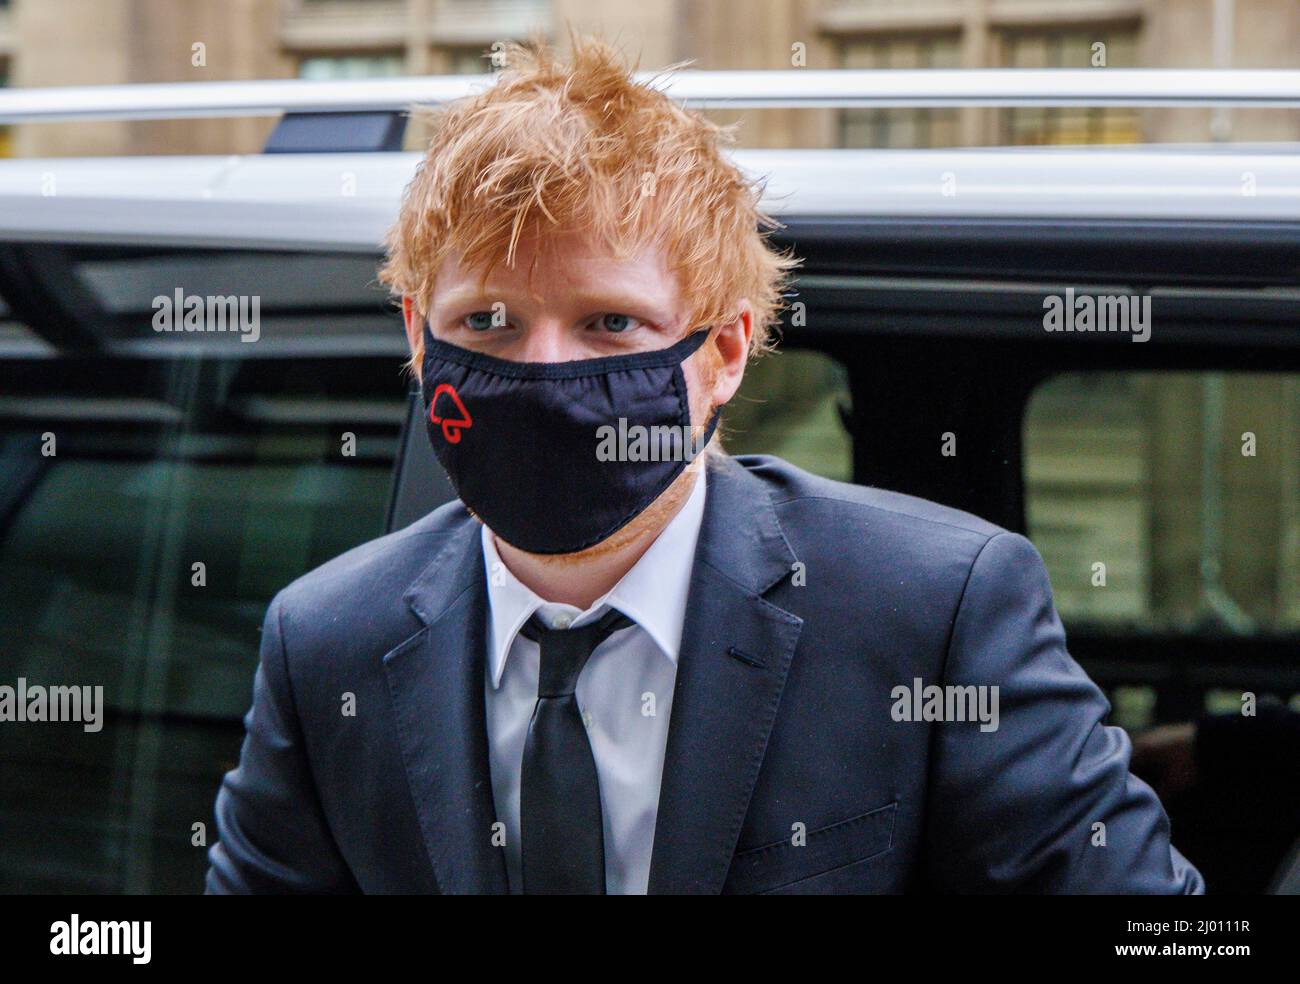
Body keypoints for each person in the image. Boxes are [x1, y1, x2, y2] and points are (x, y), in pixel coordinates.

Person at [206, 35, 1203, 895]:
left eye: (609, 323)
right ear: (421, 338)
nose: (545, 370)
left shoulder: (929, 612)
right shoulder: (326, 641)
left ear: (723, 353)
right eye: (490, 322)